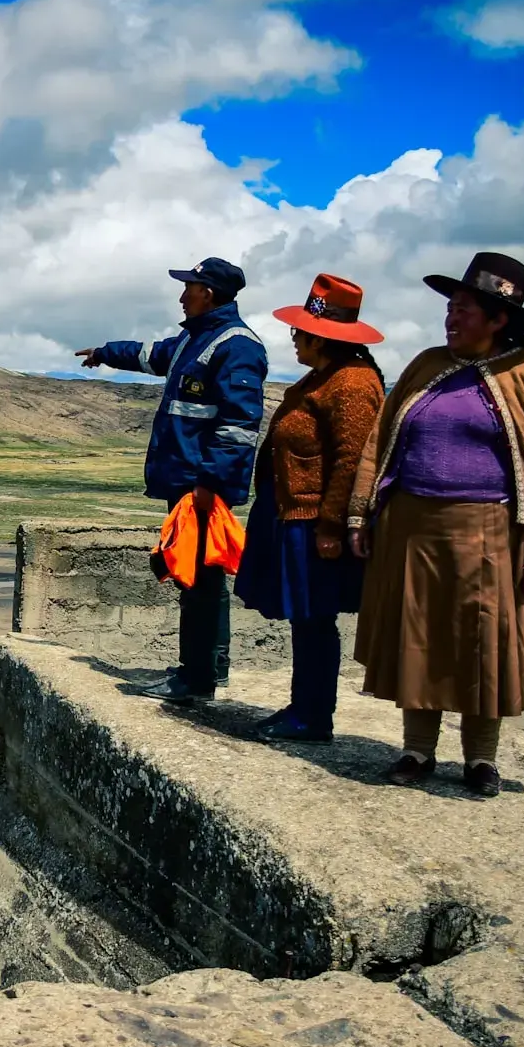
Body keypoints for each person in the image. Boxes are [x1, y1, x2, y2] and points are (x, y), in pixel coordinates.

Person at [346, 252, 524, 797]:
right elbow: (379, 438)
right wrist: (360, 512)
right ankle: (416, 750)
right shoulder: (427, 364)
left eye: (463, 310)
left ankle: (480, 758)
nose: (450, 318)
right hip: (411, 526)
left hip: (490, 529)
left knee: (485, 642)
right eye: (450, 308)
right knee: (418, 635)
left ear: (498, 319)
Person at [77, 256, 268, 702]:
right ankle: (212, 666)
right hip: (188, 481)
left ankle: (195, 678)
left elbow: (239, 426)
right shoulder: (193, 338)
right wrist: (104, 353)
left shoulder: (236, 346)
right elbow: (150, 355)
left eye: (189, 288)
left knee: (196, 578)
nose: (182, 297)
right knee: (202, 575)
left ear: (208, 294)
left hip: (199, 485)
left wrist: (209, 483)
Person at [235, 275, 385, 744]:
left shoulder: (352, 383)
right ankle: (304, 707)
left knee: (315, 617)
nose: (294, 338)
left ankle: (313, 716)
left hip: (316, 522)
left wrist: (332, 526)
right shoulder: (324, 377)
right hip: (297, 515)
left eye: (299, 331)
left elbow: (352, 460)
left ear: (320, 337)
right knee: (306, 617)